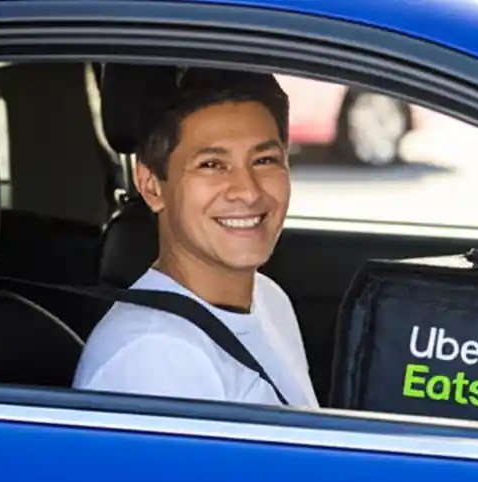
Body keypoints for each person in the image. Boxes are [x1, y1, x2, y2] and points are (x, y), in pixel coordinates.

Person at [74, 68, 319, 408]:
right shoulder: (152, 357)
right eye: (211, 165)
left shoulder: (270, 299)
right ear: (151, 185)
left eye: (264, 160)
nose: (248, 191)